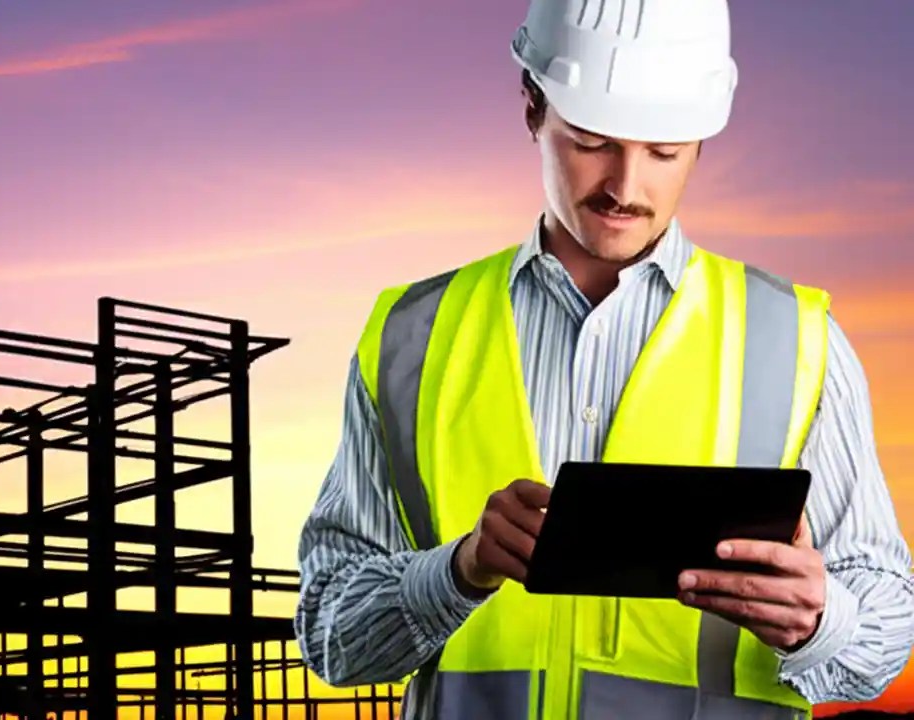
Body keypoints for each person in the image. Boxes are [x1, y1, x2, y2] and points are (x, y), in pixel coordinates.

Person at [292, 0, 914, 718]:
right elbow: (330, 638)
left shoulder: (799, 340)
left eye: (664, 152)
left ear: (703, 142)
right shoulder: (411, 335)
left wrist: (820, 619)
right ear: (532, 108)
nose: (626, 186)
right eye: (591, 140)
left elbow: (886, 630)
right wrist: (460, 570)